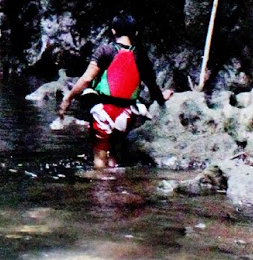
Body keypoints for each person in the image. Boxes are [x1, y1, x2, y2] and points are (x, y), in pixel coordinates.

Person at [58, 13, 172, 168]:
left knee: (100, 158)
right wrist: (162, 99)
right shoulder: (141, 56)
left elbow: (86, 79)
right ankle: (117, 188)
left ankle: (102, 190)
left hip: (103, 113)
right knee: (113, 156)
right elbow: (153, 87)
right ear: (135, 33)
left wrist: (68, 99)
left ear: (113, 31)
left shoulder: (105, 51)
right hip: (127, 115)